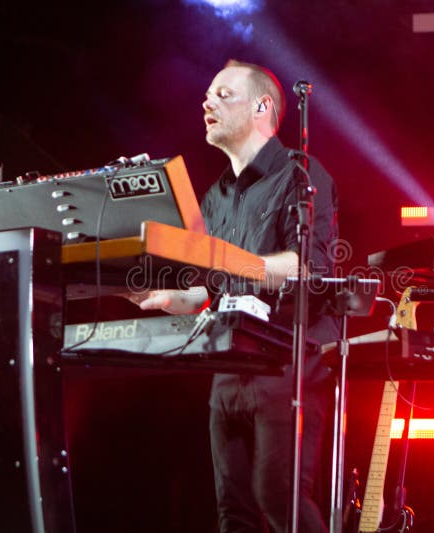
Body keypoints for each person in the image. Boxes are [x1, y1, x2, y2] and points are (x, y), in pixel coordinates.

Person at [133, 60, 339, 531]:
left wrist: (229, 261)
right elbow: (208, 288)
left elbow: (309, 269)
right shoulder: (215, 196)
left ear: (262, 106)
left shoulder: (302, 177)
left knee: (279, 499)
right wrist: (169, 298)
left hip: (287, 363)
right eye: (207, 95)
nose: (207, 102)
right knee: (233, 512)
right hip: (227, 367)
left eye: (223, 95)